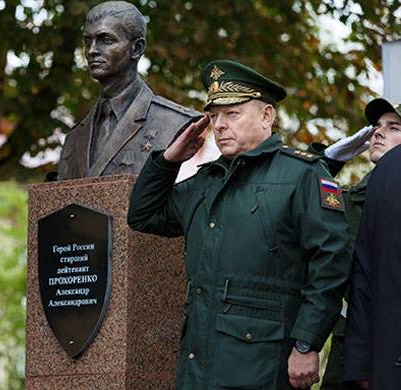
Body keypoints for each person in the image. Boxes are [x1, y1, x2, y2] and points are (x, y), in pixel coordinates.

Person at [127, 59, 350, 389]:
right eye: (214, 116)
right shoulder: (207, 181)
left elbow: (331, 263)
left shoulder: (303, 174)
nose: (219, 125)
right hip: (200, 363)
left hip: (262, 364)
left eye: (232, 114)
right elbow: (142, 215)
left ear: (266, 116)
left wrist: (307, 343)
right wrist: (169, 159)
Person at [57, 0, 200, 179]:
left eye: (106, 40)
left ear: (137, 48)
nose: (92, 51)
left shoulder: (176, 123)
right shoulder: (75, 137)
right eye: (88, 42)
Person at [319, 98, 401, 390]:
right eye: (377, 127)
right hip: (353, 352)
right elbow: (294, 200)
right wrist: (327, 160)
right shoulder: (350, 200)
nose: (378, 133)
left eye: (394, 127)